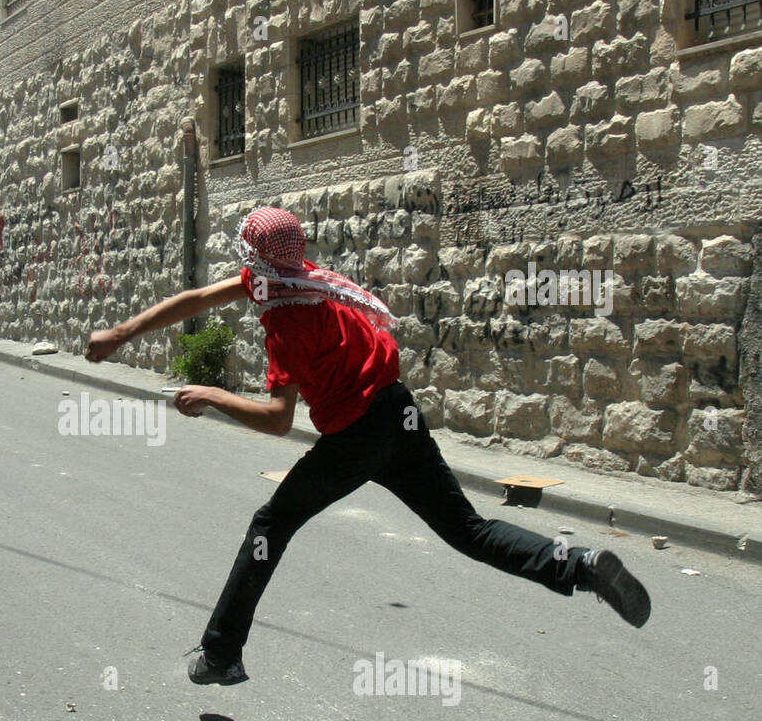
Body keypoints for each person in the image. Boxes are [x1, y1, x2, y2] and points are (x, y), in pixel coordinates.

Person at [85, 206, 651, 686]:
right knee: (469, 530)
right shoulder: (301, 276)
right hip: (398, 414)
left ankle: (220, 654)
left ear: (256, 258)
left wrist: (210, 396)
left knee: (270, 525)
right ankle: (578, 565)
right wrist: (125, 332)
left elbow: (278, 421)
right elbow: (199, 298)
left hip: (355, 438)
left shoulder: (286, 319)